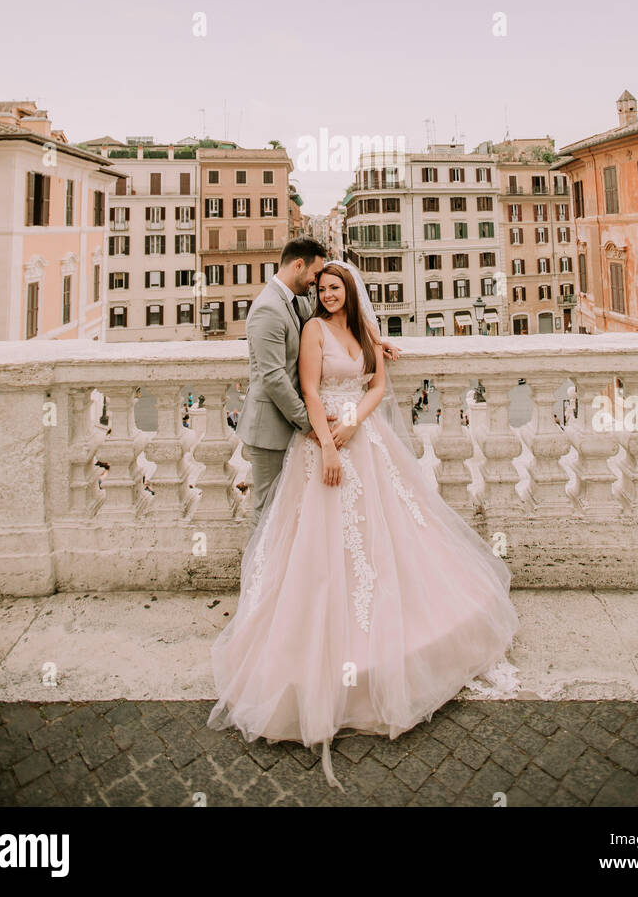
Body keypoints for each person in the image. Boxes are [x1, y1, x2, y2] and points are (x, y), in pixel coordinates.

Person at [208, 260, 518, 788]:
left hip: (365, 442)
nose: (328, 294)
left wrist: (353, 423)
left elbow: (377, 385)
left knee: (391, 536)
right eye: (322, 288)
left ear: (349, 292)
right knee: (320, 550)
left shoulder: (361, 331)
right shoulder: (312, 330)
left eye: (336, 288)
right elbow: (308, 390)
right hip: (324, 447)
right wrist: (329, 444)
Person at [235, 238, 400, 532]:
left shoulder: (296, 299)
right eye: (317, 279)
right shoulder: (268, 308)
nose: (318, 288)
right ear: (299, 265)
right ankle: (259, 578)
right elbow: (273, 377)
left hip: (325, 424)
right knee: (269, 510)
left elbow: (341, 327)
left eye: (329, 286)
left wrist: (373, 341)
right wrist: (314, 427)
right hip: (274, 427)